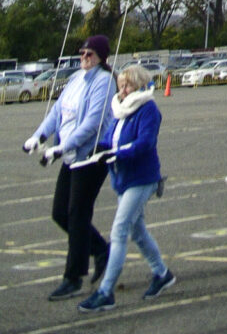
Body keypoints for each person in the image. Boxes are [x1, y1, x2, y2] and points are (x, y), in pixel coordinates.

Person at [25, 33, 115, 302]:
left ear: (101, 57)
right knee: (60, 213)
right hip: (70, 155)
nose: (84, 57)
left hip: (91, 155)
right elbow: (57, 113)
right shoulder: (76, 78)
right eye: (82, 53)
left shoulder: (104, 81)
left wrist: (61, 148)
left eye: (90, 54)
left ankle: (73, 277)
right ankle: (101, 250)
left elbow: (92, 123)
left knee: (77, 213)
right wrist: (39, 136)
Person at [77, 65, 174, 312]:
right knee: (137, 231)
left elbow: (144, 143)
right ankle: (162, 273)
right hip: (122, 179)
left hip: (142, 179)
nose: (123, 90)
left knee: (119, 231)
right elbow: (110, 138)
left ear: (140, 85)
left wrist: (115, 153)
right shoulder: (120, 109)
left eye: (128, 85)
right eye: (121, 85)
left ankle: (105, 292)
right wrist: (99, 149)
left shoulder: (148, 109)